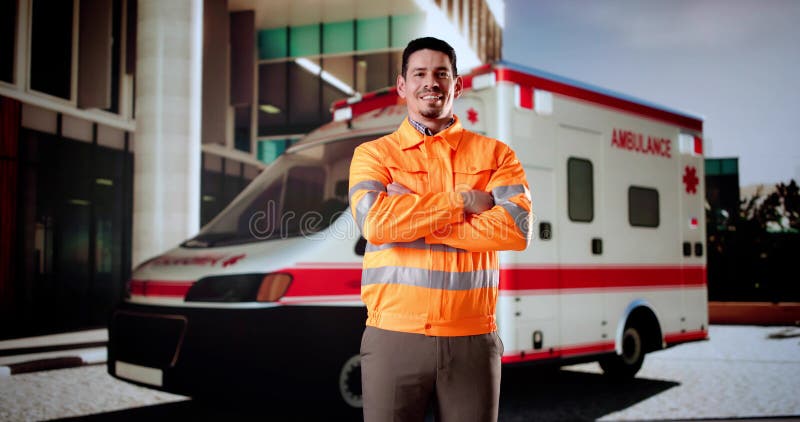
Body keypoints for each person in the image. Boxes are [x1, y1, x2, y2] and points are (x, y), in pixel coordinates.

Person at [348, 37, 532, 422]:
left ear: (457, 84)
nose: (430, 82)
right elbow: (378, 224)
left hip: (472, 338)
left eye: (441, 74)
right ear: (402, 86)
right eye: (419, 74)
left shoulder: (497, 155)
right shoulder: (373, 155)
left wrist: (413, 216)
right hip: (393, 335)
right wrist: (463, 201)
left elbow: (515, 230)